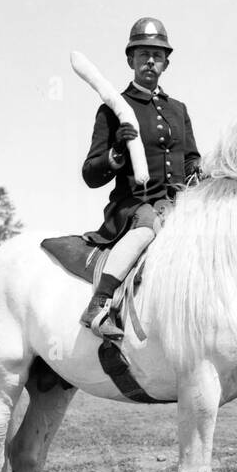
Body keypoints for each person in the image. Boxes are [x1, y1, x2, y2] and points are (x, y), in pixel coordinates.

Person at [79, 17, 200, 335]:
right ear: (130, 59)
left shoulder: (178, 109)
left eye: (157, 55)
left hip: (177, 205)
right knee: (149, 228)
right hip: (134, 206)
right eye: (143, 54)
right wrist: (116, 154)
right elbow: (90, 174)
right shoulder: (112, 109)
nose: (150, 60)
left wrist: (198, 173)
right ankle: (99, 304)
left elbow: (190, 158)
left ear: (166, 63)